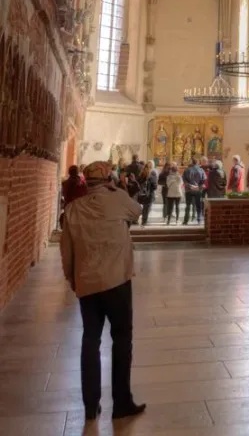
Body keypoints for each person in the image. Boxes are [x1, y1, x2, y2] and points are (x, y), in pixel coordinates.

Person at [59, 161, 145, 421]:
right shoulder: (117, 198)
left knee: (90, 340)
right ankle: (121, 403)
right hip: (117, 280)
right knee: (121, 339)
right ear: (109, 178)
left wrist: (74, 280)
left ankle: (90, 405)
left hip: (87, 283)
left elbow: (67, 252)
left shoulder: (72, 209)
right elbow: (137, 211)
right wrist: (118, 188)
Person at [182, 158, 205, 224]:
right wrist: (198, 186)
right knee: (198, 205)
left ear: (192, 162)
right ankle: (199, 220)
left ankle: (186, 220)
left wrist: (190, 186)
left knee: (188, 205)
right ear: (197, 162)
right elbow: (204, 180)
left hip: (189, 190)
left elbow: (184, 180)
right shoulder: (201, 170)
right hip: (198, 190)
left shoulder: (187, 170)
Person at [136, 161, 157, 227]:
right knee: (147, 208)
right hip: (149, 195)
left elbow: (137, 184)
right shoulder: (152, 176)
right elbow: (154, 187)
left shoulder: (141, 175)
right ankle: (144, 222)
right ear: (151, 168)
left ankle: (139, 219)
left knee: (143, 208)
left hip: (141, 195)